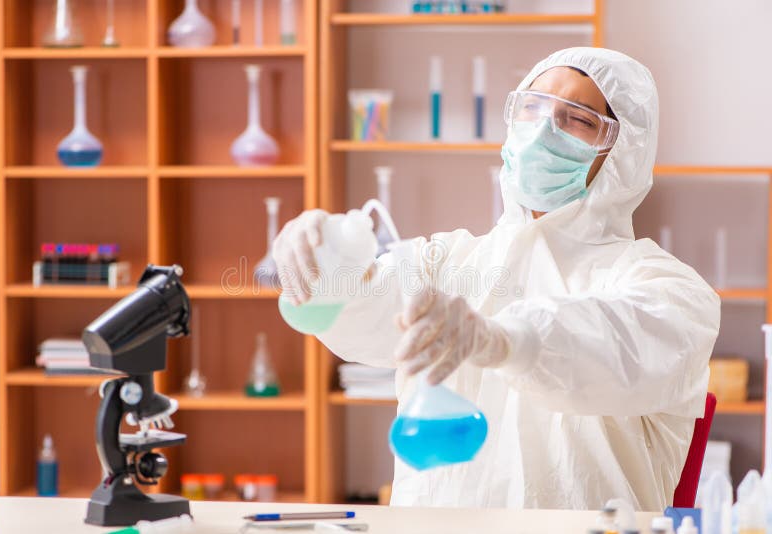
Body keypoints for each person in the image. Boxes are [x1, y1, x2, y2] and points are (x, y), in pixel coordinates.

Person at [272, 47, 720, 511]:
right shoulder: (449, 261)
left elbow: (618, 345)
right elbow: (363, 317)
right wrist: (321, 263)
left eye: (578, 120)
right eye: (533, 107)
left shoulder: (669, 289)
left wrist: (506, 339)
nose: (545, 129)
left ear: (622, 153)